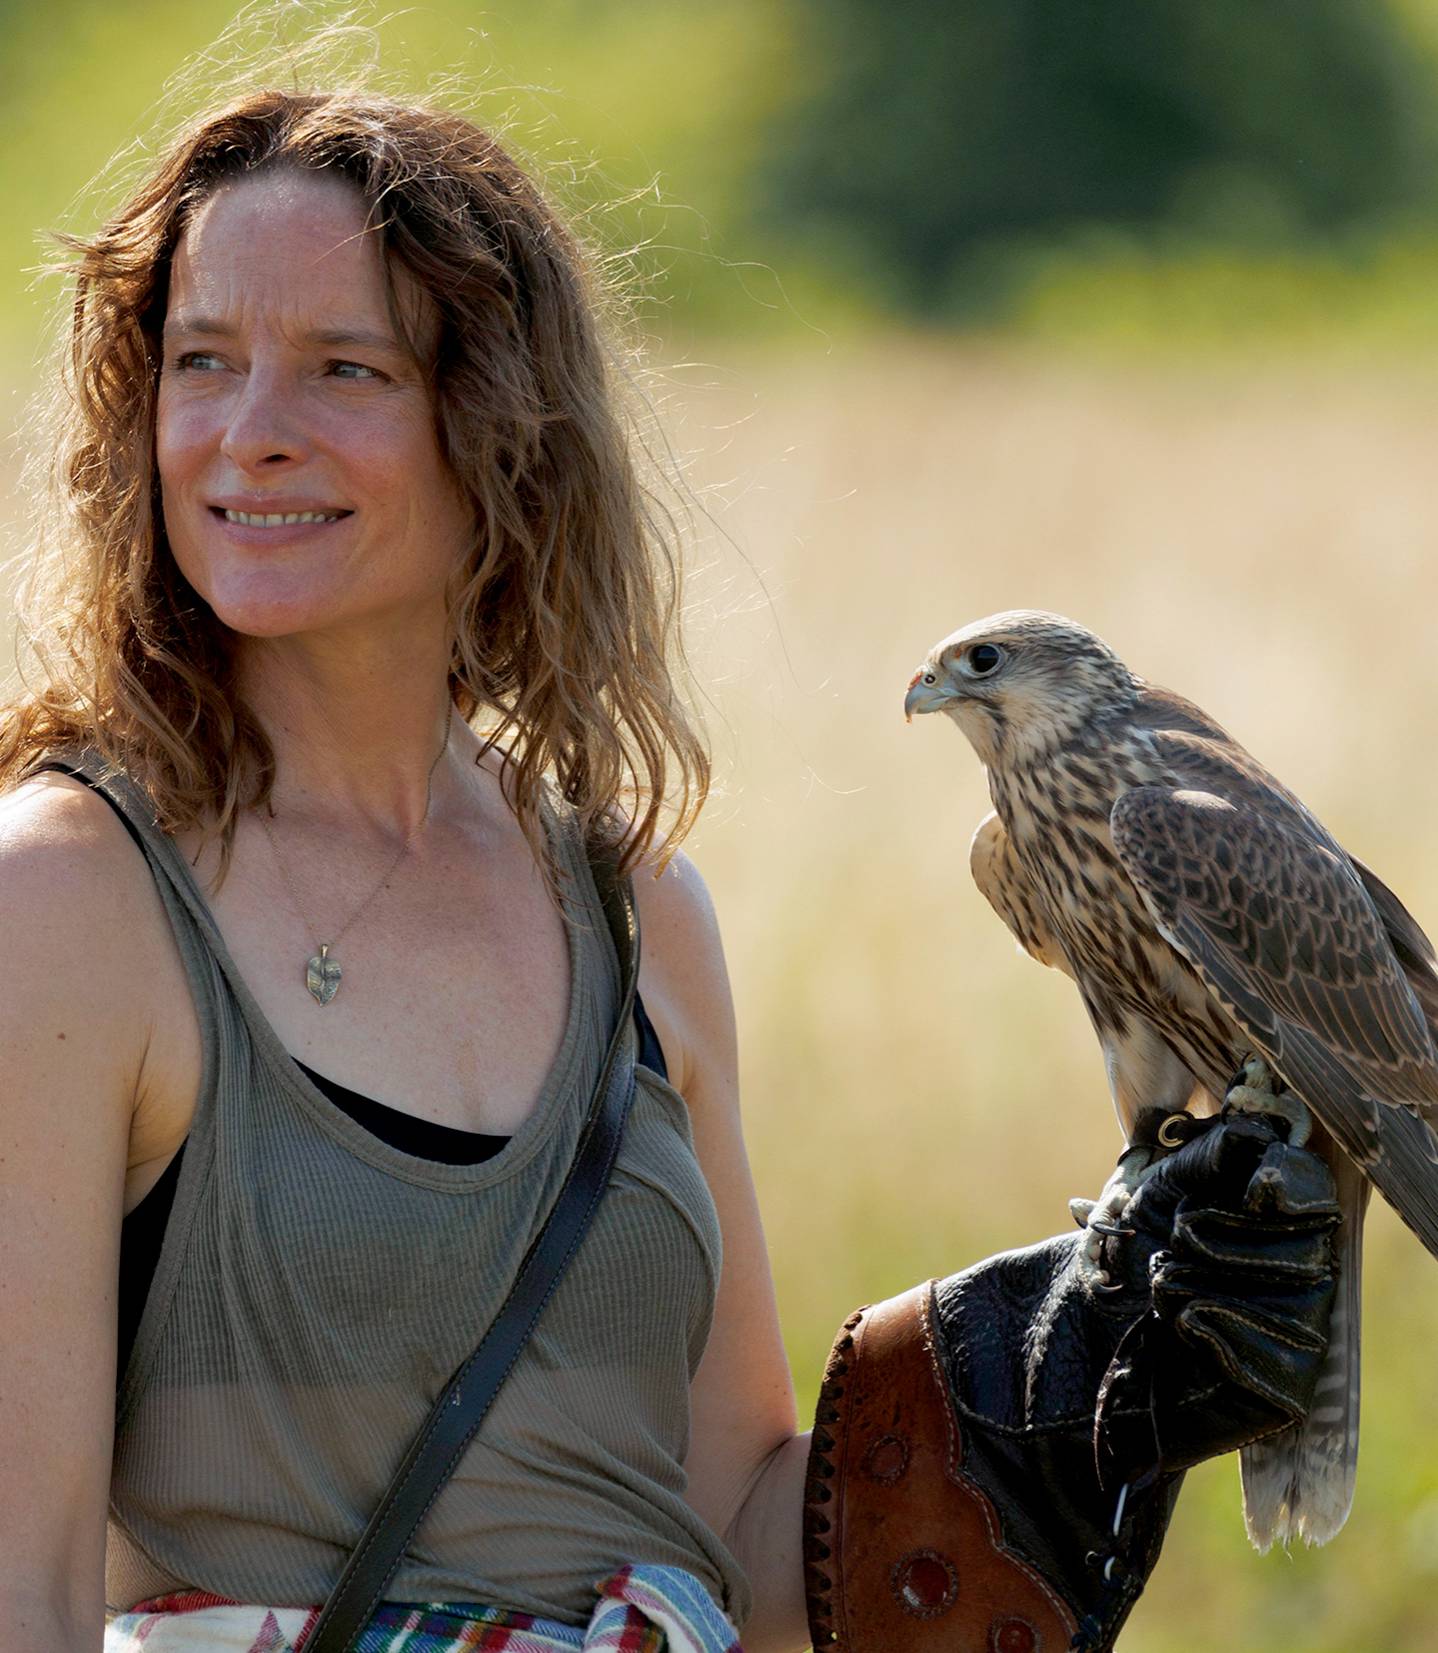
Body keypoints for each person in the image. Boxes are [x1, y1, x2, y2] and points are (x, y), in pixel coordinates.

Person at [0, 82, 1339, 1653]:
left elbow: (735, 1541)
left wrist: (1068, 1370)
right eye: (201, 360)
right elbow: (21, 1583)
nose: (249, 431)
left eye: (344, 367)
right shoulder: (72, 897)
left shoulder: (632, 913)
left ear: (498, 423)